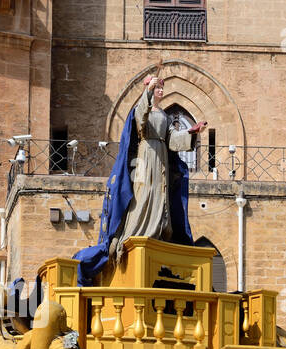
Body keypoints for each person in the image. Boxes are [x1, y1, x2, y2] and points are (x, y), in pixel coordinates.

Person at [74, 74, 207, 285]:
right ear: (149, 90)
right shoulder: (140, 108)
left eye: (162, 88)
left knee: (160, 194)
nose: (161, 91)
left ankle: (159, 231)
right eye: (158, 88)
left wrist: (192, 132)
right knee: (144, 194)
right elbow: (140, 120)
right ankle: (138, 231)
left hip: (161, 157)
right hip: (146, 156)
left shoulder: (163, 114)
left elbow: (172, 140)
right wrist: (146, 92)